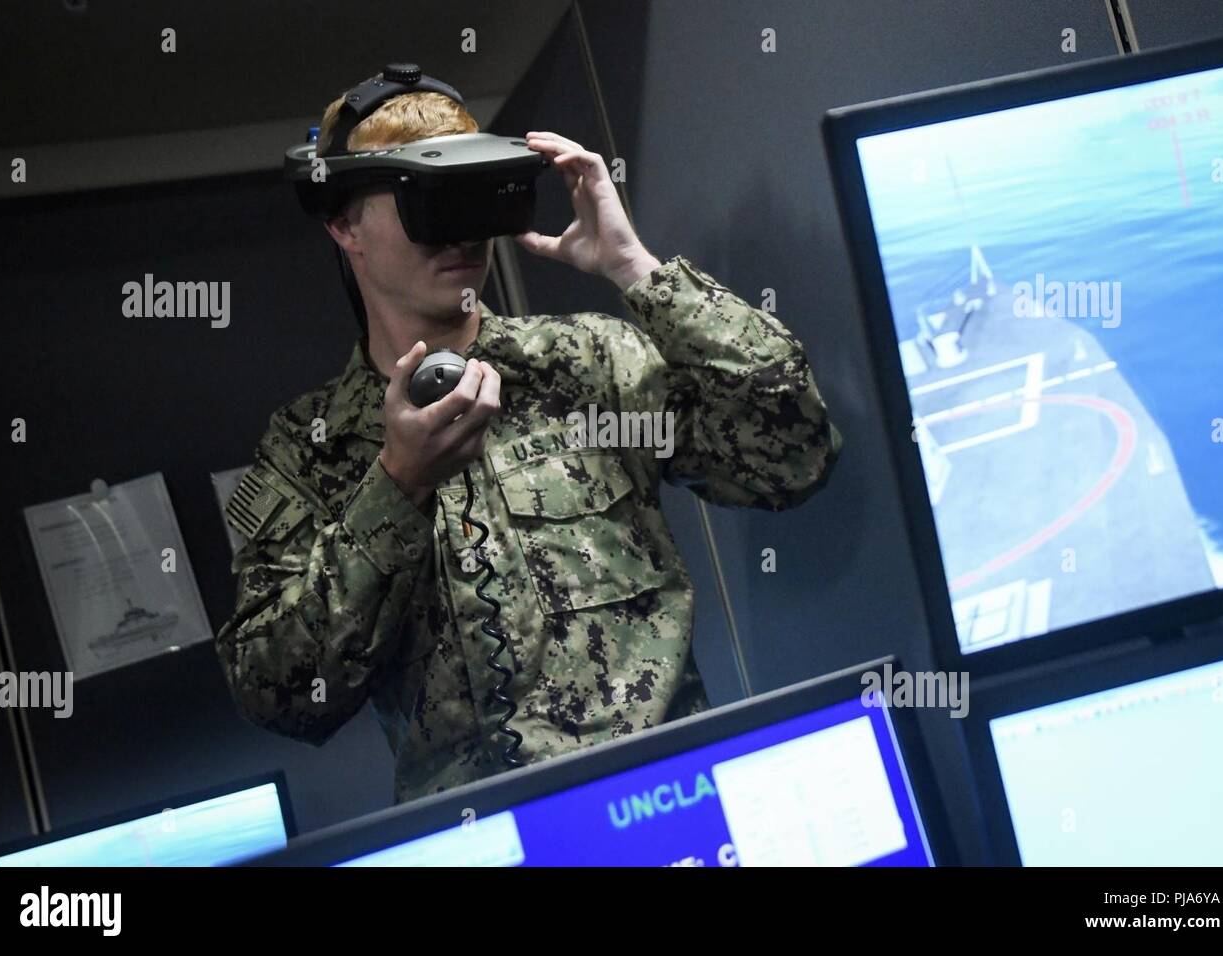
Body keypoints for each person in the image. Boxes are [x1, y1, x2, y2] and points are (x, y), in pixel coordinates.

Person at [215, 86, 841, 805]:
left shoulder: (587, 364)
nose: (460, 233)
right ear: (345, 227)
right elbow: (279, 696)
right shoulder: (308, 446)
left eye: (470, 193)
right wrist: (397, 486)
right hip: (488, 839)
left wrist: (635, 268)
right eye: (426, 199)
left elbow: (794, 458)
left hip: (664, 804)